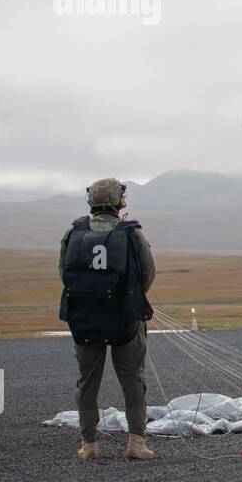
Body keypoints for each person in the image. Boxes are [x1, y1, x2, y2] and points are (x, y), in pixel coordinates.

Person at [58, 178, 157, 461]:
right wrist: (130, 302)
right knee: (133, 380)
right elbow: (147, 273)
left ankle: (89, 445)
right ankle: (136, 443)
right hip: (125, 320)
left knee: (87, 382)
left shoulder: (73, 232)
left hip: (85, 319)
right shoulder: (131, 232)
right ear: (118, 201)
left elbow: (64, 273)